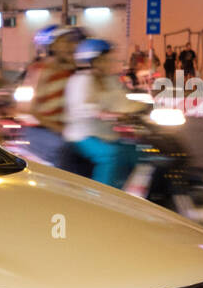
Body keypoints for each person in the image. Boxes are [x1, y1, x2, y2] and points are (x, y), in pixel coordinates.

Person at [63, 38, 139, 188]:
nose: (108, 63)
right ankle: (100, 197)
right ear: (91, 61)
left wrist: (144, 107)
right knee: (110, 155)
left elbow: (123, 102)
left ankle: (126, 193)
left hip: (106, 135)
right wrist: (103, 114)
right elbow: (80, 108)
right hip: (82, 136)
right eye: (103, 60)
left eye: (108, 59)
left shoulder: (110, 81)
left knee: (137, 153)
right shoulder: (80, 81)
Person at [18, 25, 81, 165]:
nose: (72, 46)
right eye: (65, 42)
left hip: (65, 130)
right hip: (43, 132)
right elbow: (27, 108)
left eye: (73, 42)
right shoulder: (40, 71)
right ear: (52, 46)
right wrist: (59, 129)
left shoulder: (72, 70)